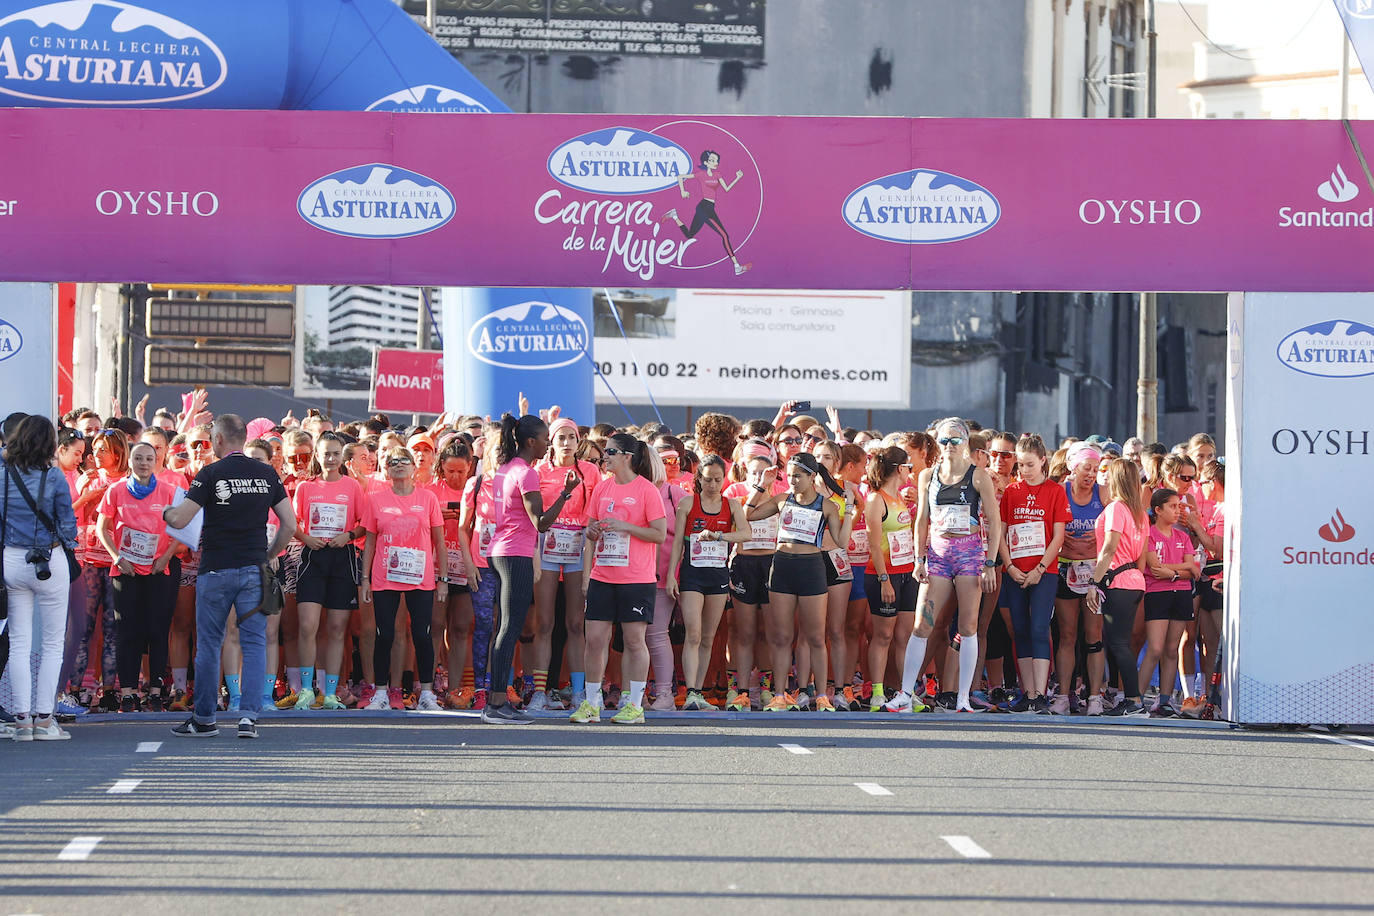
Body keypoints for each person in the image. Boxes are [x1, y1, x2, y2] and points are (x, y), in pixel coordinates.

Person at [163, 414, 296, 739]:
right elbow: (290, 525)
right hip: (253, 569)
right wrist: (268, 554)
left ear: (219, 439)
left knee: (210, 643)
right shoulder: (267, 473)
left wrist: (166, 511)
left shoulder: (210, 473)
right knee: (254, 642)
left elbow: (180, 520)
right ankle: (249, 716)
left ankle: (205, 718)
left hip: (216, 569)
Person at [485, 414, 579, 724]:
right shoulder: (526, 473)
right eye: (544, 439)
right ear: (530, 441)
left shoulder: (506, 468)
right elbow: (540, 523)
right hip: (515, 553)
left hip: (501, 551)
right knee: (509, 629)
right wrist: (565, 494)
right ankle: (496, 704)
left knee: (505, 628)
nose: (548, 444)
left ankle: (497, 701)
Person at [904, 419, 1002, 714]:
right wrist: (918, 559)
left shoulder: (978, 477)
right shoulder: (927, 475)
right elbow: (922, 520)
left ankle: (963, 697)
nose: (949, 446)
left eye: (955, 440)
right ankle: (905, 694)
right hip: (938, 555)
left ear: (966, 443)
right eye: (944, 441)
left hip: (968, 555)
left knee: (968, 626)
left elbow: (994, 522)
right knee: (922, 624)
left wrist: (989, 563)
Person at [571, 433, 667, 725]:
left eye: (611, 452)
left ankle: (634, 705)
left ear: (627, 456)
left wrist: (626, 526)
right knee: (594, 640)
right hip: (603, 574)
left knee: (635, 641)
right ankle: (591, 703)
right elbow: (590, 531)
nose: (605, 457)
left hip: (636, 578)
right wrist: (592, 534)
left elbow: (659, 534)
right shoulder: (602, 488)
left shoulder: (646, 490)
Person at [745, 452, 846, 712]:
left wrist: (852, 513)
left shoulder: (826, 506)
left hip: (811, 568)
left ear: (812, 477)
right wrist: (761, 486)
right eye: (789, 476)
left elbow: (841, 541)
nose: (792, 481)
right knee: (781, 636)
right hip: (782, 567)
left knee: (815, 636)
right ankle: (779, 695)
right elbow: (747, 515)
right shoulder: (782, 499)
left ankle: (821, 696)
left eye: (798, 476)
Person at [2, 416, 80, 741]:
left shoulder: (3, 474)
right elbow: (68, 524)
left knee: (19, 642)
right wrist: (67, 541)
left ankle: (22, 721)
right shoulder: (55, 476)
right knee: (51, 642)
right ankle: (45, 720)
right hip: (48, 559)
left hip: (11, 558)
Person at [94, 441, 180, 712]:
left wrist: (166, 558)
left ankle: (155, 691)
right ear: (130, 462)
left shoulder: (168, 491)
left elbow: (181, 529)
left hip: (157, 569)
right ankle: (128, 691)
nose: (143, 463)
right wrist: (117, 557)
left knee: (157, 631)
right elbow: (102, 528)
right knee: (127, 631)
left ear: (156, 461)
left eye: (148, 459)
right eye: (138, 458)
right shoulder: (116, 490)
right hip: (126, 570)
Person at [359, 446, 446, 713]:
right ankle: (380, 694)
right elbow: (370, 542)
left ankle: (427, 694)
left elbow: (439, 541)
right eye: (393, 461)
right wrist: (365, 578)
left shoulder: (428, 498)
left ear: (414, 467)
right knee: (384, 634)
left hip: (421, 578)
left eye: (404, 461)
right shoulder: (375, 499)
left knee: (422, 634)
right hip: (384, 576)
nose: (398, 465)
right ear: (386, 469)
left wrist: (443, 578)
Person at [665, 454, 750, 711]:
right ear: (698, 479)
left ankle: (698, 692)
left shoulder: (731, 505)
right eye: (707, 479)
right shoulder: (688, 503)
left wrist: (719, 536)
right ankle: (691, 691)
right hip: (693, 575)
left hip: (717, 576)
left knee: (708, 637)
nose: (712, 485)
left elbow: (746, 533)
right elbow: (677, 543)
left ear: (724, 479)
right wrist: (671, 575)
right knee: (693, 633)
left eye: (717, 479)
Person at [291, 431, 366, 711]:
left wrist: (349, 535)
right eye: (326, 454)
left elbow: (364, 523)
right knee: (307, 625)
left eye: (336, 454)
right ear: (317, 456)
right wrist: (305, 538)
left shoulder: (352, 486)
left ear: (342, 457)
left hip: (342, 558)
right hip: (313, 557)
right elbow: (292, 522)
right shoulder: (305, 487)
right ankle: (306, 690)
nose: (331, 459)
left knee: (336, 629)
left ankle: (331, 693)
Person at [997, 434, 1070, 713]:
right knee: (1020, 630)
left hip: (1044, 572)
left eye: (1030, 464)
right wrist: (1010, 566)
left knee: (1039, 628)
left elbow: (1059, 536)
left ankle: (1040, 693)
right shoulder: (1012, 492)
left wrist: (1040, 569)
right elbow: (1001, 533)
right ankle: (1027, 692)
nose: (1025, 470)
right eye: (1021, 465)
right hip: (1014, 571)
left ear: (1042, 461)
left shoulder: (1055, 491)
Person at [530, 417, 598, 711]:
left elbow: (594, 514)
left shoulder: (590, 471)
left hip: (577, 549)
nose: (567, 443)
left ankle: (579, 692)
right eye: (561, 437)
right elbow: (533, 516)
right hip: (546, 548)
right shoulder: (539, 471)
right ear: (551, 441)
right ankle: (539, 691)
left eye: (572, 437)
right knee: (544, 623)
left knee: (574, 623)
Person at [1085, 458, 1149, 717]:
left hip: (1118, 580)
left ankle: (1133, 700)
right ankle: (1132, 698)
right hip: (1135, 580)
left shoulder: (1116, 508)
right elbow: (1141, 558)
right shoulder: (1140, 513)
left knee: (1119, 643)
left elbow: (1109, 548)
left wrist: (1094, 582)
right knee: (1120, 642)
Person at [1051, 443, 1108, 715]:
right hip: (1066, 568)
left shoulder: (1103, 493)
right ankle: (1063, 695)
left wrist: (1100, 540)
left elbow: (1116, 526)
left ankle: (1094, 696)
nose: (1092, 474)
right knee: (1067, 635)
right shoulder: (1059, 491)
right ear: (1073, 467)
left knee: (1094, 635)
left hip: (1094, 572)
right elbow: (1047, 527)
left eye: (1096, 469)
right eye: (1087, 468)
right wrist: (1061, 539)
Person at [1140, 488, 1200, 718]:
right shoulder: (1149, 535)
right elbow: (1155, 569)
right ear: (1158, 510)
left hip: (1181, 593)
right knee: (1155, 648)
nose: (1177, 511)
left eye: (1179, 506)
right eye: (1172, 506)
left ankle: (1164, 700)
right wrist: (1184, 568)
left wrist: (1173, 572)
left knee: (1171, 649)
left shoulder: (1182, 537)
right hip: (1157, 593)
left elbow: (1194, 571)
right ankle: (1135, 698)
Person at [429, 437, 478, 709]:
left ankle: (456, 689)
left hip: (466, 566)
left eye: (461, 471)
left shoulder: (475, 489)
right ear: (442, 468)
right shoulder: (431, 491)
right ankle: (431, 685)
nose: (456, 477)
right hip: (436, 567)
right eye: (450, 471)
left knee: (461, 628)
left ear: (470, 466)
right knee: (435, 625)